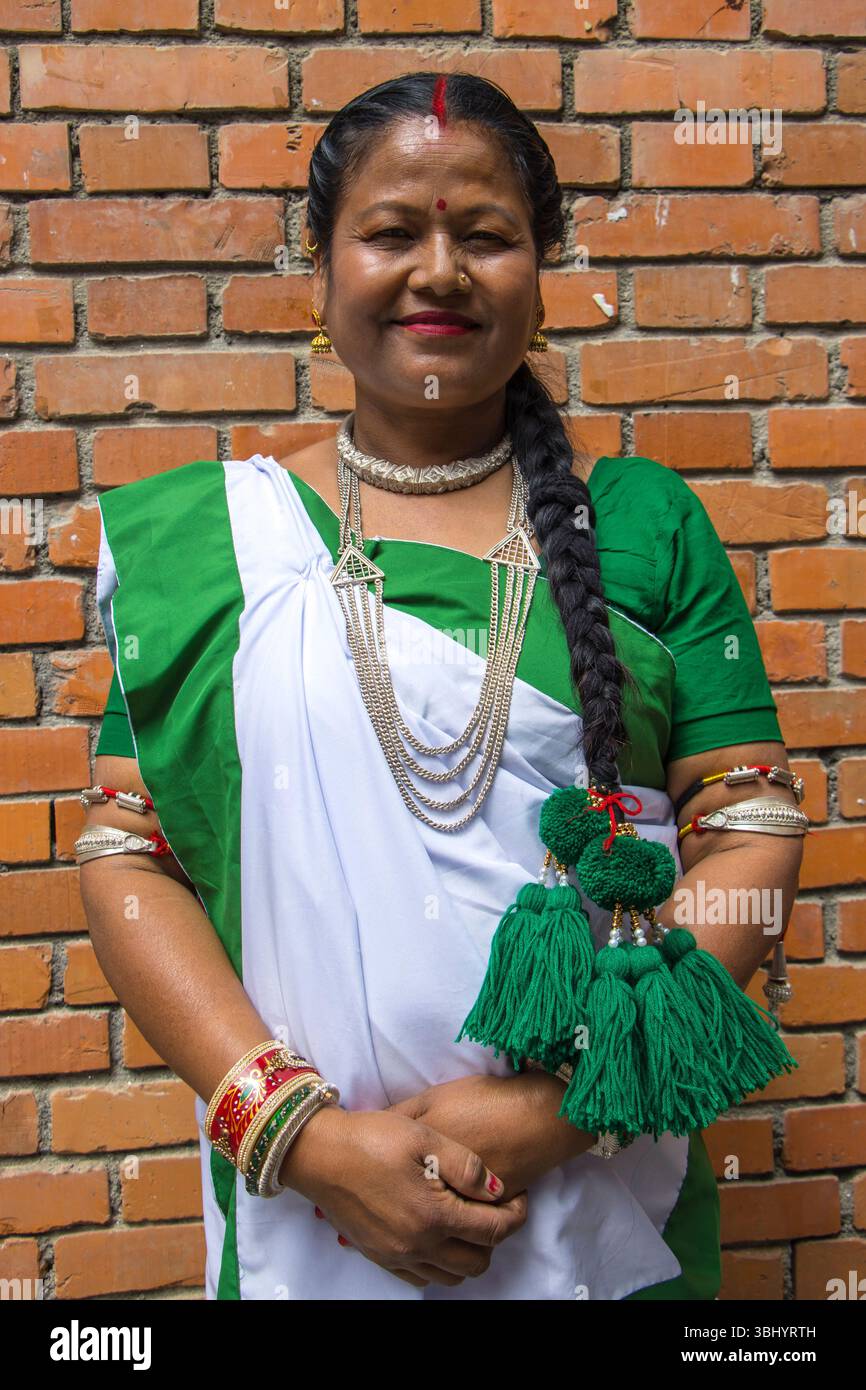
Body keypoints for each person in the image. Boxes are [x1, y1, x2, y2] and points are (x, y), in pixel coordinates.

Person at [79, 71, 805, 1301]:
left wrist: (553, 1109)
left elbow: (748, 831)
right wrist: (302, 1137)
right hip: (313, 1226)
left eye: (485, 235)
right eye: (388, 233)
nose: (439, 271)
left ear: (540, 270)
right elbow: (127, 855)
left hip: (600, 1203)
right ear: (319, 273)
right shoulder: (215, 546)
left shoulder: (643, 522)